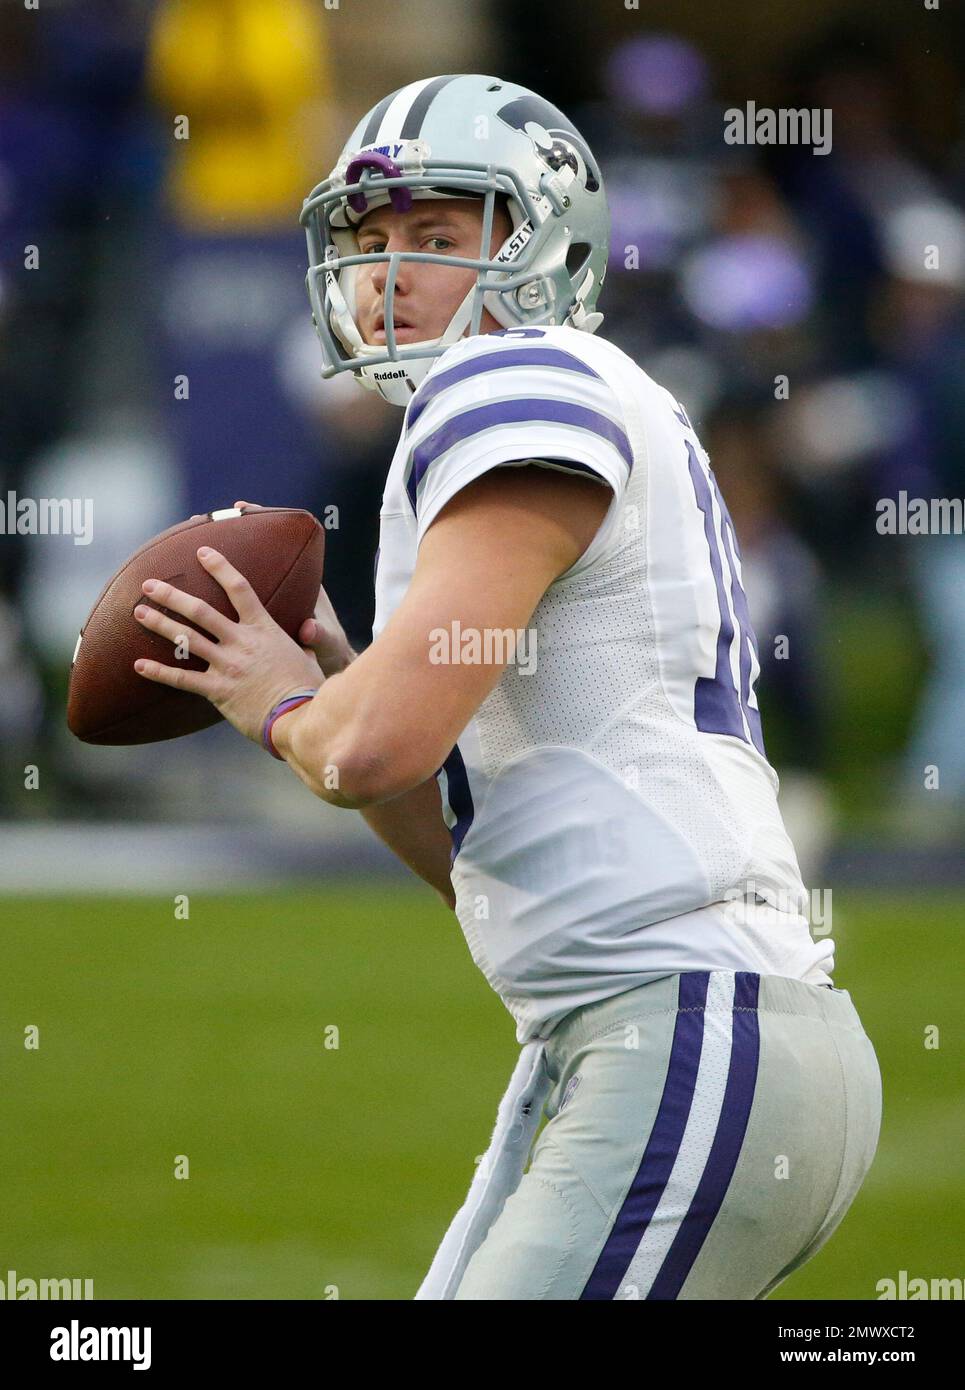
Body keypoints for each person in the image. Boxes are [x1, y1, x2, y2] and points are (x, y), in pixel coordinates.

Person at [131, 74, 882, 1300]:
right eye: (368, 242)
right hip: (658, 1034)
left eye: (434, 236)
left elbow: (366, 750)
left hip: (685, 1027)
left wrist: (282, 702)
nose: (387, 273)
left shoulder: (514, 379)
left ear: (544, 244)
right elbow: (464, 851)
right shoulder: (545, 400)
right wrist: (330, 687)